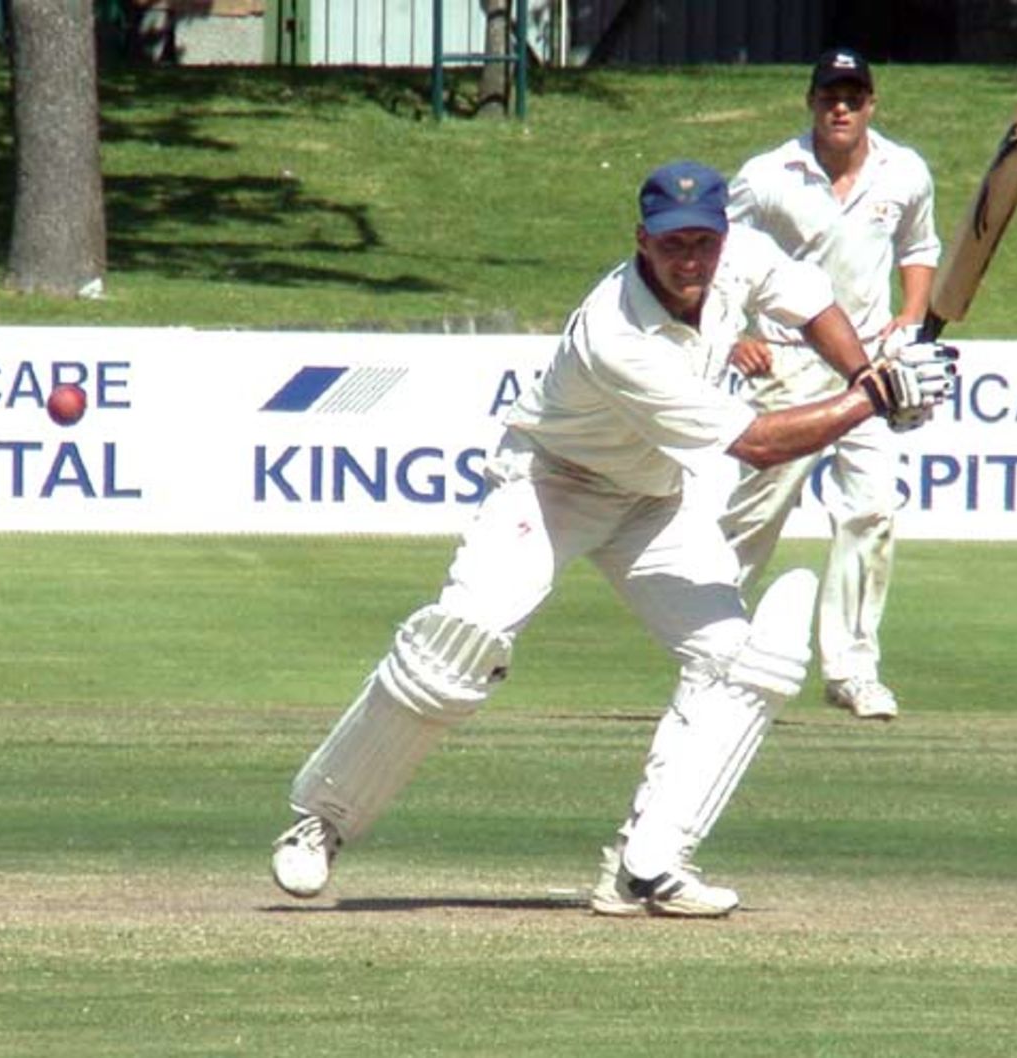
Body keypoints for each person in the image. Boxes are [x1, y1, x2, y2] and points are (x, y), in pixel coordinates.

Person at [269, 160, 954, 919]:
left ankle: (648, 866)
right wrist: (874, 398)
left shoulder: (744, 254)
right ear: (642, 240)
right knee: (460, 642)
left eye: (703, 242)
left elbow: (816, 302)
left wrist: (872, 370)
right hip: (553, 482)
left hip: (655, 498)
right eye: (672, 245)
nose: (690, 260)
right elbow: (757, 442)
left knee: (739, 662)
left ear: (723, 236)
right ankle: (320, 822)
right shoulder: (615, 331)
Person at [721, 47, 942, 722]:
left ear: (871, 103)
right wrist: (735, 336)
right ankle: (708, 645)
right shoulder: (767, 176)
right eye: (829, 96)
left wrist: (909, 317)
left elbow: (919, 248)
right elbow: (715, 258)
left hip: (870, 365)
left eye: (853, 95)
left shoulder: (904, 171)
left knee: (873, 511)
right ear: (811, 103)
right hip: (787, 360)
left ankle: (851, 668)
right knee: (752, 519)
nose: (840, 107)